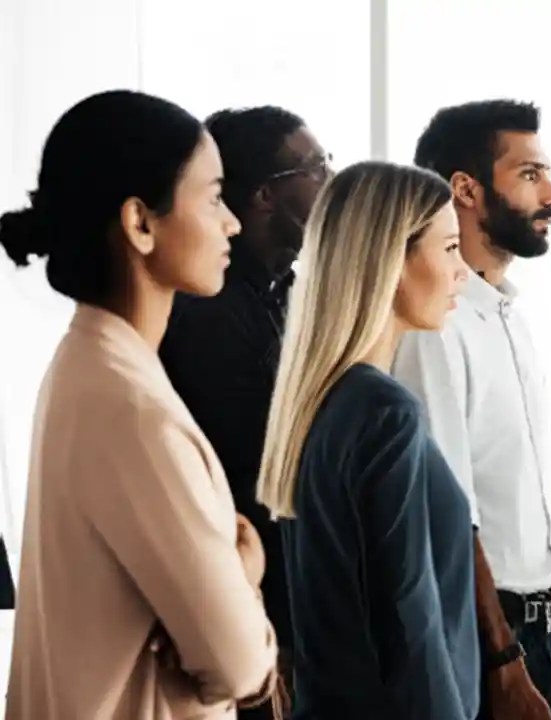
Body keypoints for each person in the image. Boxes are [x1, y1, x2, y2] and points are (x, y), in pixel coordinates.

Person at [0, 89, 280, 719]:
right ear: (141, 223)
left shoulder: (87, 366)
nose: (232, 221)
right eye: (212, 199)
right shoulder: (133, 409)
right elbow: (239, 663)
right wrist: (244, 570)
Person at [392, 99, 551, 720]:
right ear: (466, 189)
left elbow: (516, 500)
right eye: (531, 174)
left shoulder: (505, 315)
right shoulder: (435, 327)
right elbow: (450, 513)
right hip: (492, 641)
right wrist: (503, 665)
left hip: (538, 631)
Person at [255, 160, 477, 718]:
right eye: (449, 248)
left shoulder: (318, 404)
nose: (463, 272)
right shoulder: (385, 413)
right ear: (390, 260)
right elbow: (411, 625)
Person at [159, 106, 331, 713]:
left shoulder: (296, 297)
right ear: (264, 194)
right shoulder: (203, 312)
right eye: (316, 166)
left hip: (295, 616)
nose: (331, 180)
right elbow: (245, 479)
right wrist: (264, 637)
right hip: (245, 622)